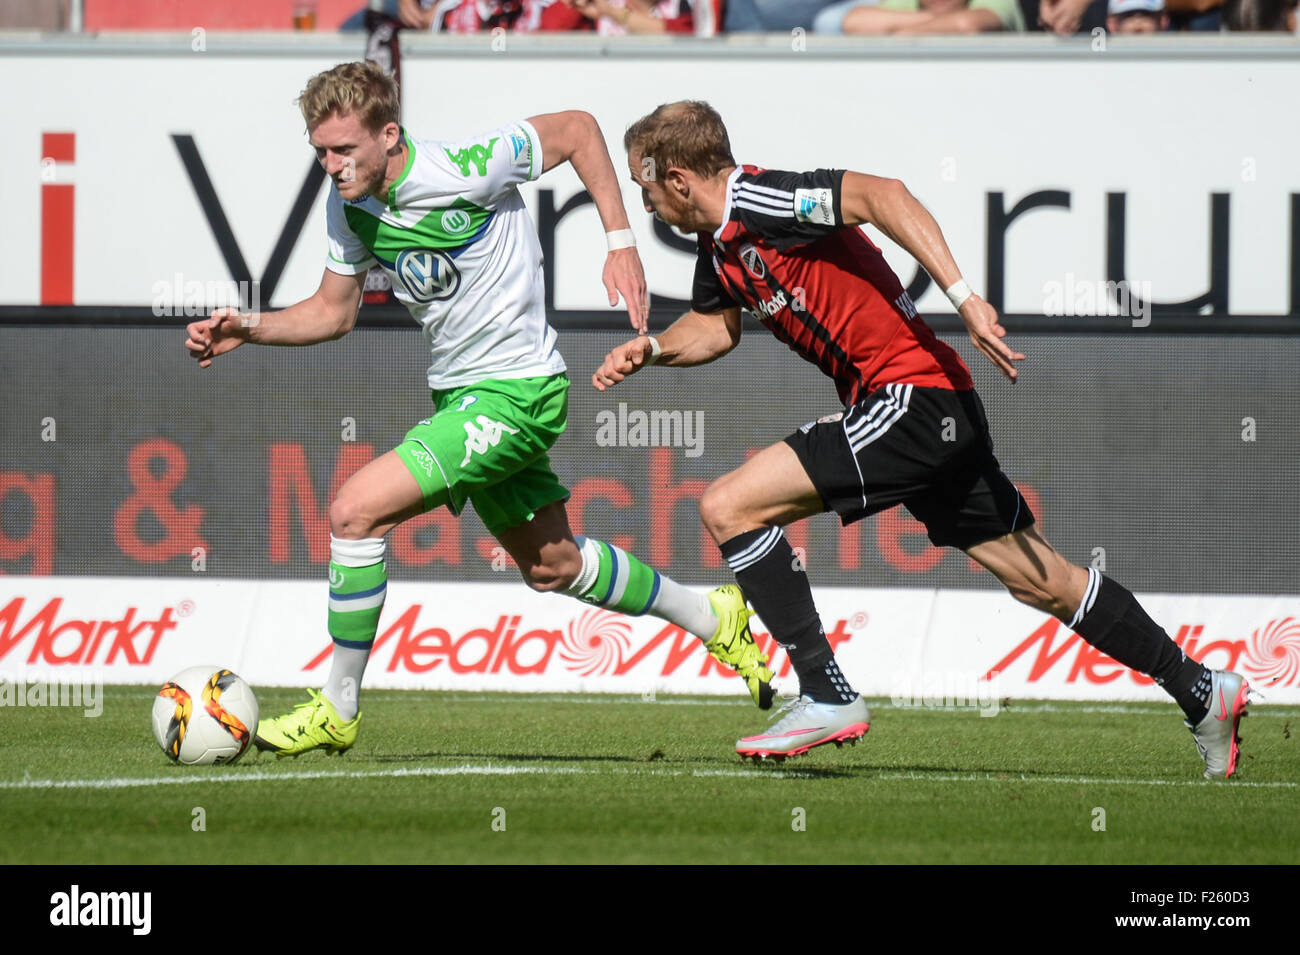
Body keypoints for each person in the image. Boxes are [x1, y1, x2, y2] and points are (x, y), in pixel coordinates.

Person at [596, 100, 1249, 778]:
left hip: (910, 398)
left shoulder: (761, 198)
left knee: (729, 504)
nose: (644, 205)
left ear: (676, 178)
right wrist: (652, 349)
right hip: (937, 408)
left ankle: (825, 692)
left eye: (644, 188)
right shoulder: (721, 246)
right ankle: (1203, 691)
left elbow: (885, 195)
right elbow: (714, 327)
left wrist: (965, 297)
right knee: (1044, 580)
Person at [184, 64, 774, 757]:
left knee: (353, 510)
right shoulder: (346, 209)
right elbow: (331, 312)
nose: (330, 165)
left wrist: (620, 245)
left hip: (517, 393)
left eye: (344, 149)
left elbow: (580, 131)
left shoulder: (465, 166)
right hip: (462, 395)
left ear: (389, 134)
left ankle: (337, 707)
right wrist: (249, 327)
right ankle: (711, 616)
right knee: (552, 565)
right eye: (320, 151)